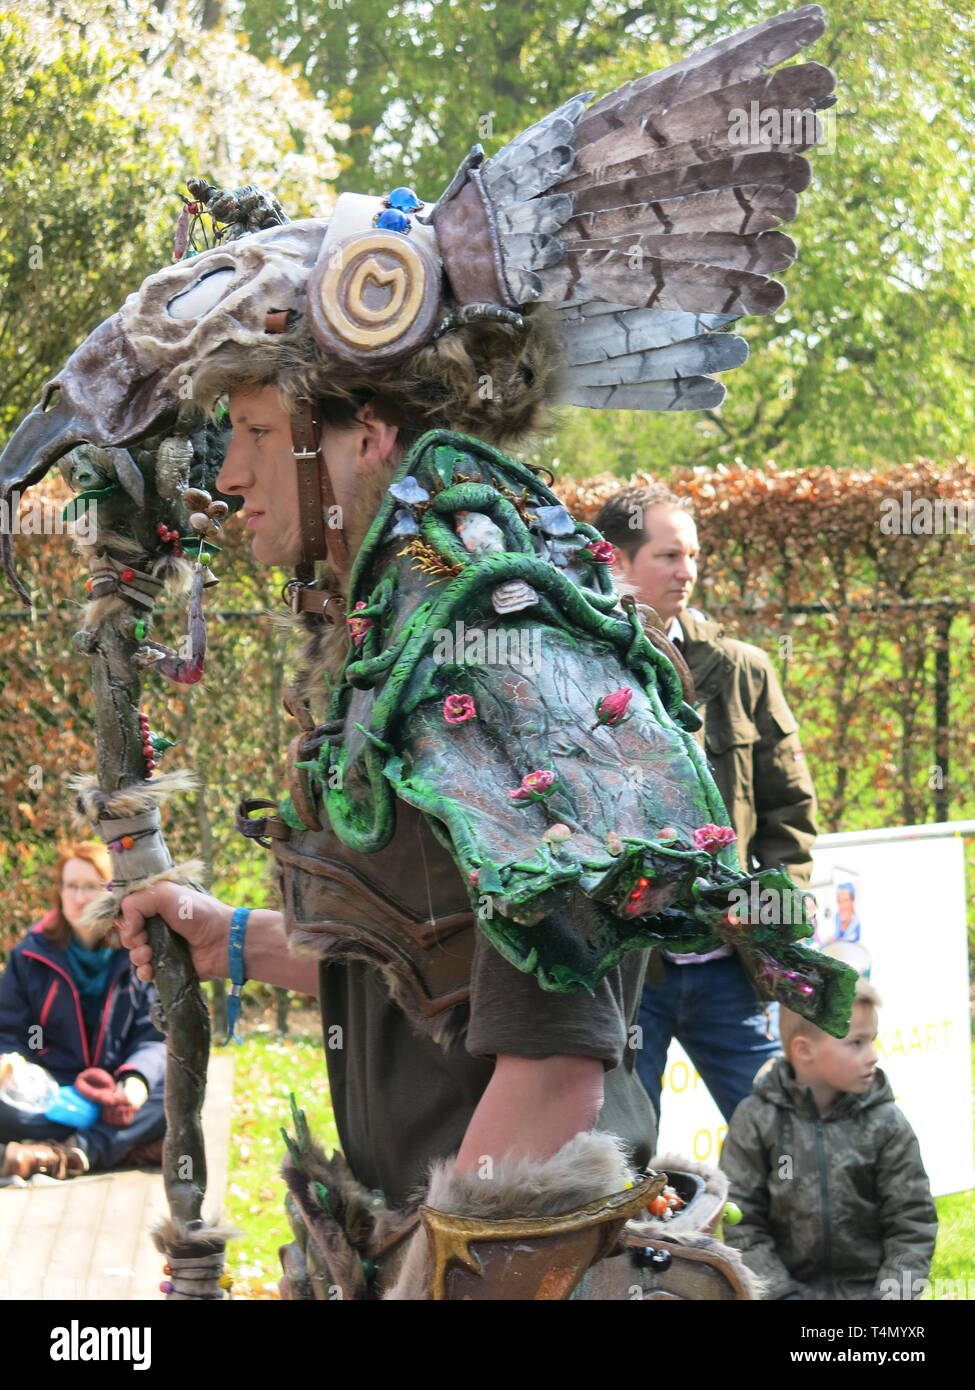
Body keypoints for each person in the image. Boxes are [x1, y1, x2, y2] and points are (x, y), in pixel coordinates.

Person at [0, 10, 846, 1297]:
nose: (228, 474)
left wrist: (412, 1282)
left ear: (368, 433)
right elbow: (428, 961)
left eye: (254, 425)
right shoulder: (401, 641)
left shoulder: (494, 650)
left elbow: (557, 1066)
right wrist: (226, 934)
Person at [596, 483, 819, 1124]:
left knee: (787, 1140)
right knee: (623, 1159)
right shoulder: (579, 670)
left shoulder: (743, 670)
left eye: (693, 555)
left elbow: (790, 813)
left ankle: (773, 1231)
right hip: (632, 974)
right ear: (615, 560)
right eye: (668, 556)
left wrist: (771, 912)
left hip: (731, 967)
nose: (687, 573)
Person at [718, 978, 937, 1300]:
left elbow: (912, 1224)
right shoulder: (755, 1120)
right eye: (857, 1043)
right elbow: (742, 1223)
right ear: (804, 1050)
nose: (873, 1055)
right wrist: (780, 1295)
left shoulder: (887, 1124)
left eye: (873, 1040)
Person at [0, 841, 166, 1180]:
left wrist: (137, 1080)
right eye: (71, 886)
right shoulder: (28, 957)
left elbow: (155, 1035)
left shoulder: (142, 953)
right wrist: (11, 1064)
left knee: (181, 1093)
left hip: (118, 1093)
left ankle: (59, 1155)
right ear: (59, 892)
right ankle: (117, 1147)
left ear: (113, 892)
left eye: (91, 887)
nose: (79, 897)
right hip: (51, 1095)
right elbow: (7, 1033)